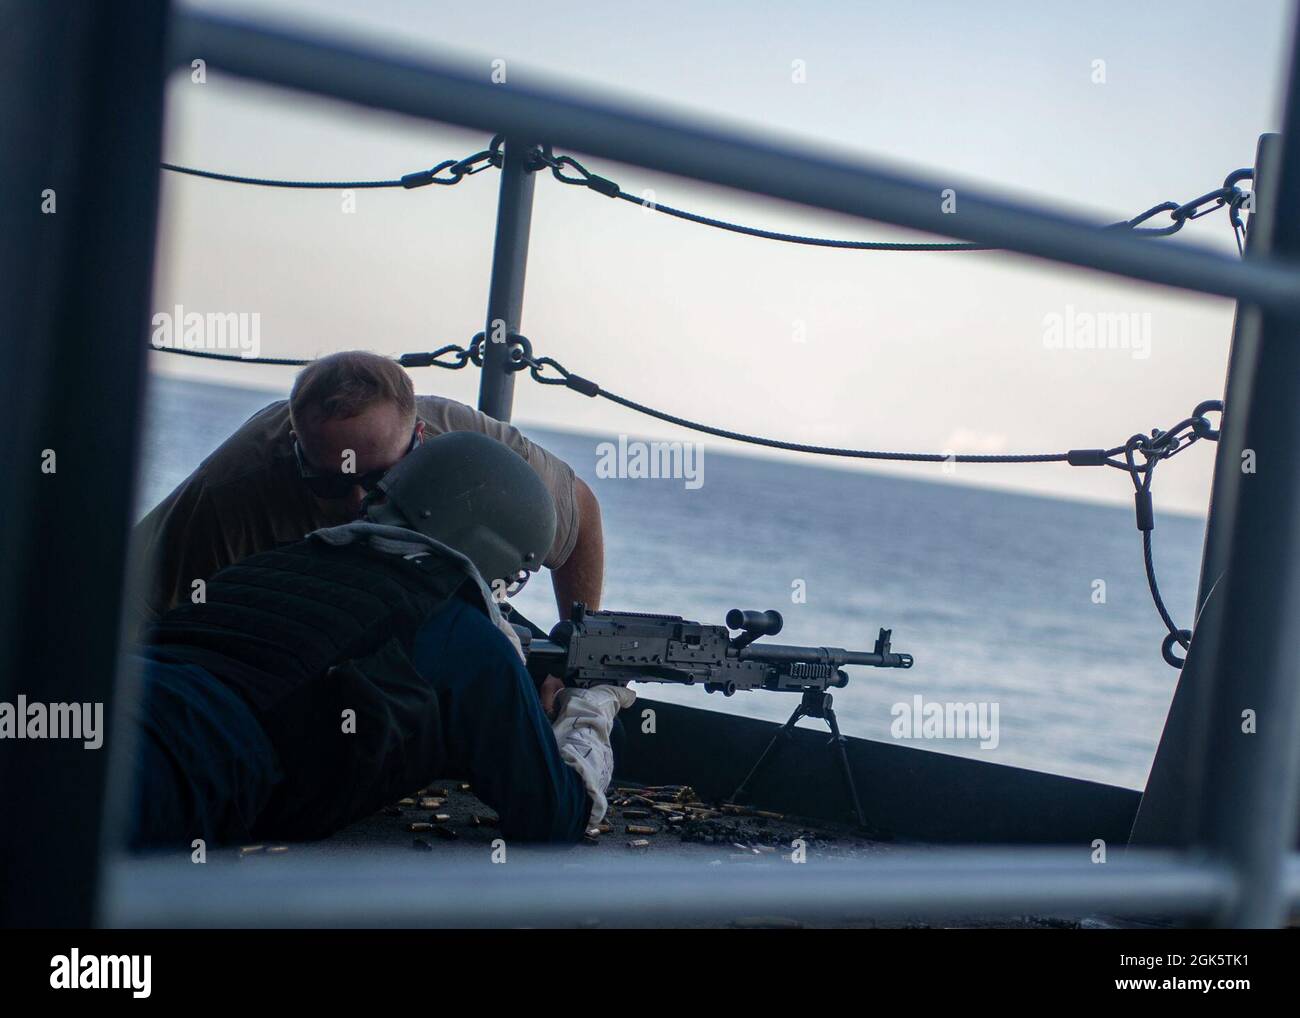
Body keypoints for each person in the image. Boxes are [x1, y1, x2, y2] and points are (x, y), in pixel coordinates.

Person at [125, 431, 633, 849]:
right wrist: (592, 706)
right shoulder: (462, 635)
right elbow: (552, 818)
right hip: (179, 759)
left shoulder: (278, 561)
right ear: (495, 551)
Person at [134, 350, 605, 625]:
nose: (358, 502)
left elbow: (578, 515)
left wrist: (572, 654)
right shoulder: (234, 486)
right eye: (328, 482)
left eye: (380, 479)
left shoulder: (465, 445)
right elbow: (140, 611)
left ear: (419, 438)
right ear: (297, 444)